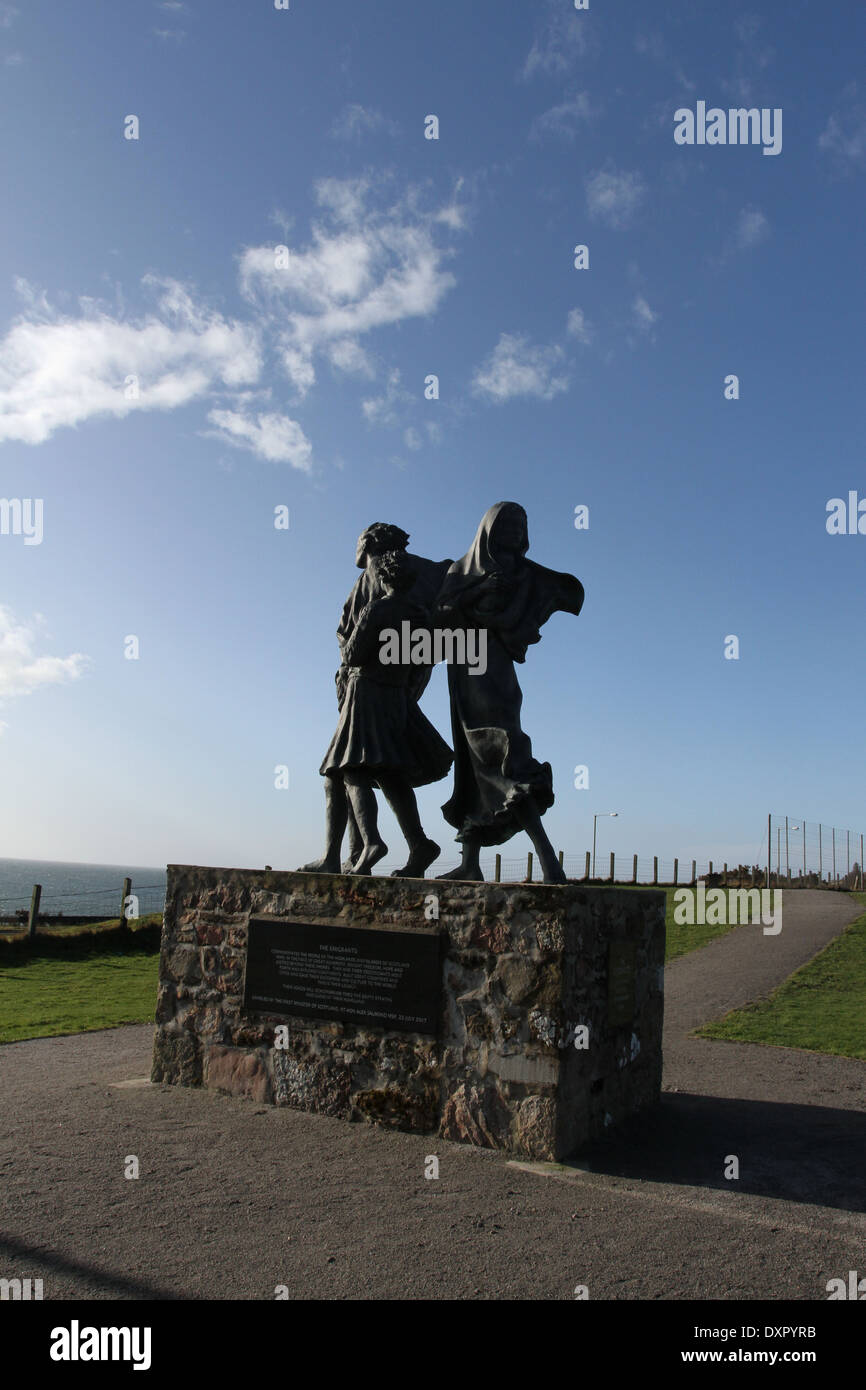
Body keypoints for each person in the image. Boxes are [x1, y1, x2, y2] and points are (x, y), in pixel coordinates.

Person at [434, 502, 584, 884]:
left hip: (494, 675)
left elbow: (548, 591)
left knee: (503, 758)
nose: (516, 531)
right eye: (508, 523)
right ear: (489, 528)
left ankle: (549, 864)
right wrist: (480, 589)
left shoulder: (521, 572)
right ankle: (470, 863)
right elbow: (440, 616)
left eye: (522, 525)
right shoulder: (460, 571)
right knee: (472, 767)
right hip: (464, 673)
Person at [300, 528, 452, 877]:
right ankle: (416, 844)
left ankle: (366, 844)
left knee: (342, 770)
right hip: (394, 696)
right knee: (387, 771)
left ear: (380, 573)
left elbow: (353, 652)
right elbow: (424, 655)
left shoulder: (375, 608)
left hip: (366, 692)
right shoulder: (420, 614)